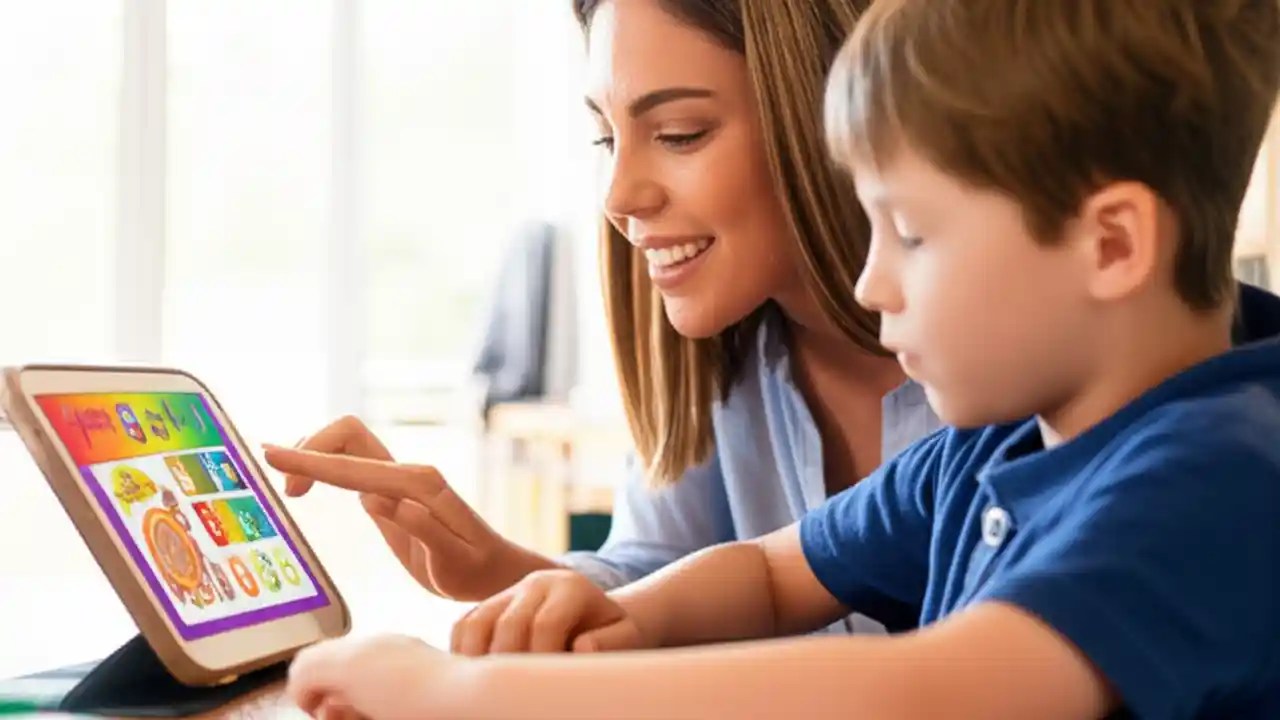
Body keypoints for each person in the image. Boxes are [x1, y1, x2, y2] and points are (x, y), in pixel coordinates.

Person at [283, 0, 1280, 718]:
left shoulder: (1214, 471)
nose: (868, 283)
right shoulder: (987, 448)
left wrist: (474, 695)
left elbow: (938, 689)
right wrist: (620, 620)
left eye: (910, 236)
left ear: (1109, 245)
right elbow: (766, 574)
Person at [265, 0, 933, 636]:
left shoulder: (1008, 392)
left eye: (679, 135)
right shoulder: (718, 366)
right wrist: (497, 570)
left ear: (837, 117)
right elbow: (654, 592)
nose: (618, 195)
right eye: (605, 138)